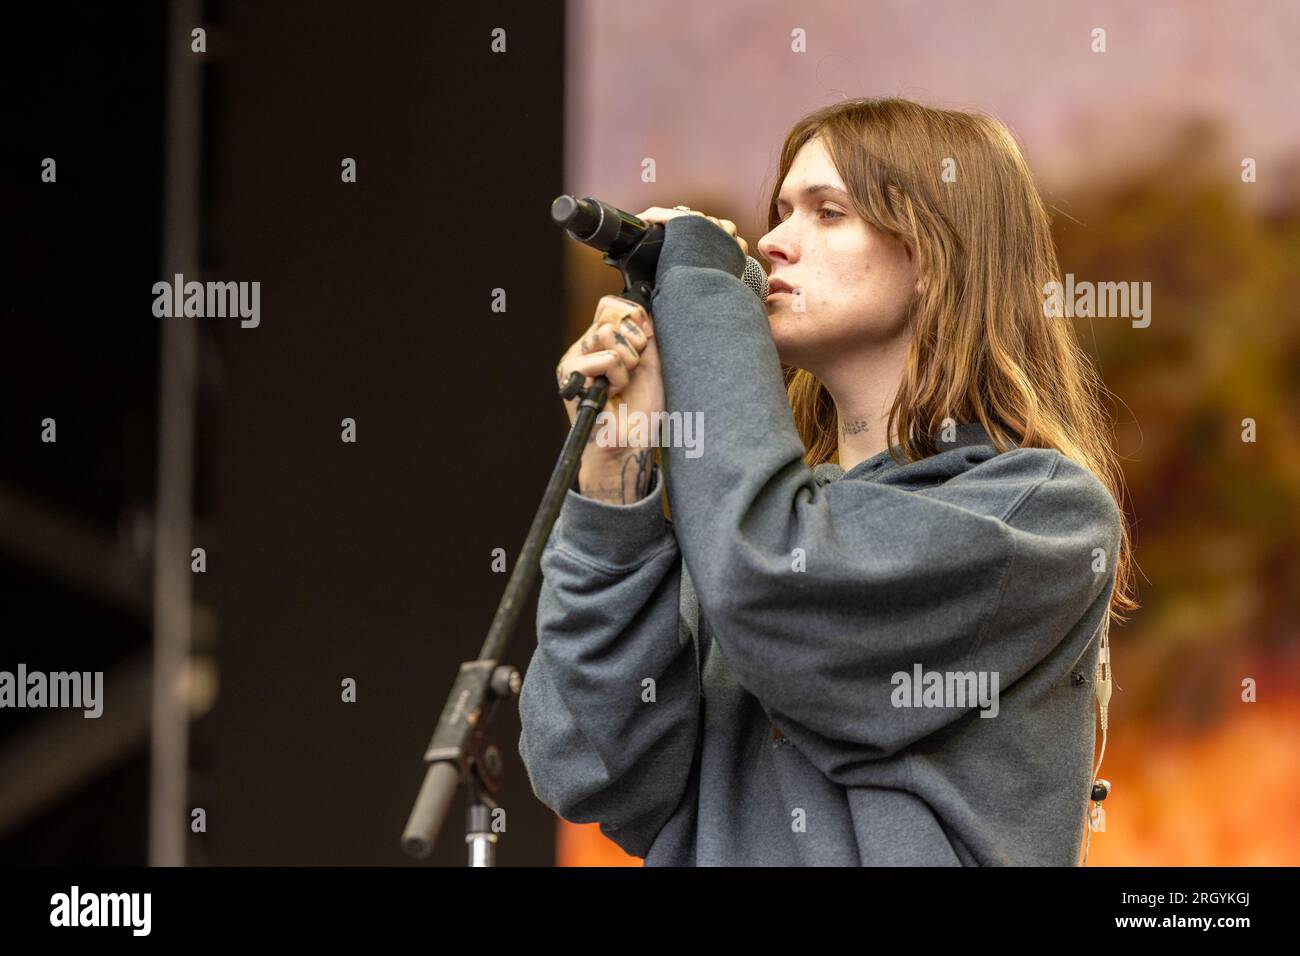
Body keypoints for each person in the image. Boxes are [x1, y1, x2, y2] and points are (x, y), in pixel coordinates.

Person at [519, 97, 1136, 866]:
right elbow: (588, 768)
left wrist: (705, 291)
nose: (773, 243)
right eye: (779, 212)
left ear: (938, 256)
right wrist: (615, 477)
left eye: (828, 212)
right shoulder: (750, 525)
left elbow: (774, 579)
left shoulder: (1041, 513)